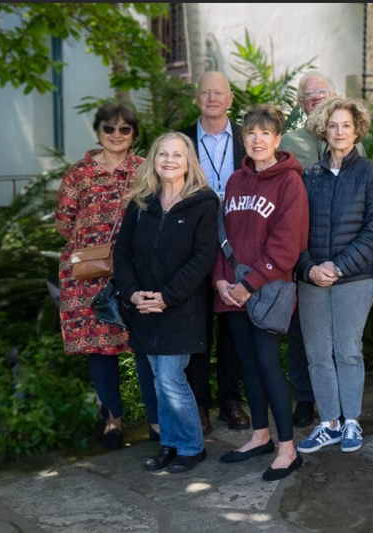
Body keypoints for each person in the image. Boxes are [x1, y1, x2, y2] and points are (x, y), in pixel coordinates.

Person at [113, 132, 219, 473]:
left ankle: (191, 446)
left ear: (189, 161)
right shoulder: (141, 201)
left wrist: (168, 297)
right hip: (143, 306)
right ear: (153, 161)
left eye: (177, 155)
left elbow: (203, 257)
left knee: (172, 379)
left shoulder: (204, 202)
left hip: (182, 307)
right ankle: (170, 445)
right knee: (159, 380)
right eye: (163, 154)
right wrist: (132, 293)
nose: (169, 160)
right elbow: (123, 253)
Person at [213, 104, 308, 481]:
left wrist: (248, 285)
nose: (257, 139)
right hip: (232, 292)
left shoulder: (290, 183)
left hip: (267, 291)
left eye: (264, 133)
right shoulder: (236, 181)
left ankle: (288, 447)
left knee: (269, 365)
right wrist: (221, 280)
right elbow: (221, 238)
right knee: (246, 366)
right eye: (251, 132)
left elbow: (288, 246)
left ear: (277, 139)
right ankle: (261, 435)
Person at [295, 97, 373, 454]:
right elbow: (295, 230)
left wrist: (338, 266)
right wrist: (308, 267)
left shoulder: (371, 174)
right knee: (318, 353)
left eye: (345, 126)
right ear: (323, 129)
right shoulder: (309, 176)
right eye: (333, 125)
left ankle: (351, 421)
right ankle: (328, 423)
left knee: (348, 351)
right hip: (312, 280)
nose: (339, 132)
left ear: (357, 130)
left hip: (353, 279)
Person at [279, 71, 367, 428]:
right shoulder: (289, 139)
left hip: (348, 259)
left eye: (322, 91)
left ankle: (347, 409)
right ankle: (305, 398)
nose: (315, 96)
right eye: (309, 93)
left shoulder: (356, 145)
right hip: (306, 253)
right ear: (300, 102)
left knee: (345, 342)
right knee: (304, 335)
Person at [56, 103, 145, 450]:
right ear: (98, 132)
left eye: (125, 130)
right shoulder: (79, 173)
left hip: (135, 272)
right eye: (110, 129)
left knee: (142, 344)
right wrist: (95, 247)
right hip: (87, 274)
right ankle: (113, 418)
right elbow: (64, 221)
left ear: (134, 134)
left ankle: (155, 418)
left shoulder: (144, 171)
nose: (117, 135)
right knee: (101, 349)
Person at [177, 71, 250, 434]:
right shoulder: (182, 140)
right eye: (205, 92)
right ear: (197, 98)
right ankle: (200, 403)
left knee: (233, 324)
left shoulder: (245, 138)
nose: (212, 98)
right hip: (193, 241)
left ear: (230, 98)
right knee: (197, 323)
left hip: (236, 242)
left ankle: (231, 401)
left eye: (218, 93)